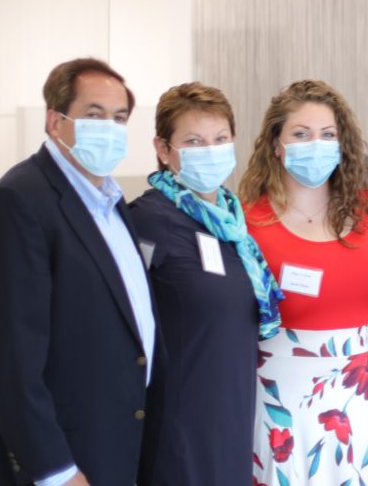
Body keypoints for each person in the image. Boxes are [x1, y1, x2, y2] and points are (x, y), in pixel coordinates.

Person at [0, 58, 157, 486]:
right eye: (94, 114)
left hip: (114, 444)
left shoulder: (109, 200)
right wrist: (55, 470)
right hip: (63, 462)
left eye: (119, 117)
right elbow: (7, 357)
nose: (109, 127)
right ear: (55, 122)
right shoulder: (20, 201)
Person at [239, 80, 368, 486]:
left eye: (328, 135)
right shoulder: (246, 221)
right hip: (279, 403)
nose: (316, 144)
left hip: (359, 402)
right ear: (276, 144)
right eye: (301, 134)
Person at [131, 82, 284, 486]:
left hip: (232, 417)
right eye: (194, 141)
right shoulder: (148, 220)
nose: (210, 150)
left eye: (220, 139)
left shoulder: (235, 225)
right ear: (164, 150)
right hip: (180, 422)